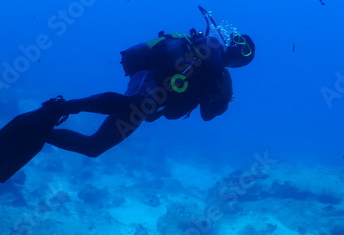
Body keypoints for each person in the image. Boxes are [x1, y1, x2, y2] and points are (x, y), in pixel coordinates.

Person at [42, 9, 254, 159]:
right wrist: (221, 84)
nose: (240, 52)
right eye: (241, 46)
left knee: (94, 147)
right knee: (134, 101)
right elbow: (213, 62)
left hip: (155, 101)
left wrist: (221, 97)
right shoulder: (212, 44)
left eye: (245, 53)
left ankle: (40, 134)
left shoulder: (218, 76)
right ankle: (62, 107)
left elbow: (206, 114)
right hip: (149, 74)